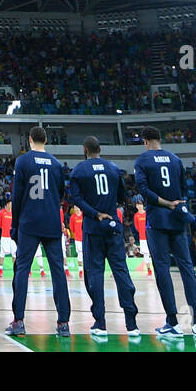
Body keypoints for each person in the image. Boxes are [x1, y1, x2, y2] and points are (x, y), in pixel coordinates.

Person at [133, 126, 196, 338]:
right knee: (187, 268)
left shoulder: (142, 161)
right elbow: (184, 190)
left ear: (145, 142)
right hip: (178, 221)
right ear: (159, 138)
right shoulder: (175, 159)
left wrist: (165, 203)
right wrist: (177, 204)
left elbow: (144, 191)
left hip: (158, 220)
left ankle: (172, 322)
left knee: (163, 270)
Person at [67, 136, 138, 337]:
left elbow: (77, 199)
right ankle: (132, 324)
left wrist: (96, 213)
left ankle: (100, 323)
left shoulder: (79, 170)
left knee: (95, 274)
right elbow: (122, 197)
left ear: (85, 150)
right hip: (113, 227)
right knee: (121, 272)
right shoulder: (114, 169)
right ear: (100, 149)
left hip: (93, 228)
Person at [5, 126, 71, 337]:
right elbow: (61, 194)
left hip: (29, 222)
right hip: (51, 222)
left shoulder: (23, 161)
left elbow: (17, 196)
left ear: (30, 139)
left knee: (22, 270)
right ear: (46, 140)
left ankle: (19, 321)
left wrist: (15, 226)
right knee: (58, 272)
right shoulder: (56, 163)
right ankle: (63, 323)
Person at [0, 198, 15, 266]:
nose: (11, 205)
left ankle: (15, 269)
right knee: (2, 252)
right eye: (10, 204)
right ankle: (0, 269)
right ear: (7, 204)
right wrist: (6, 229)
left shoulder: (14, 213)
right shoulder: (1, 212)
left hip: (13, 237)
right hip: (4, 236)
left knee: (14, 253)